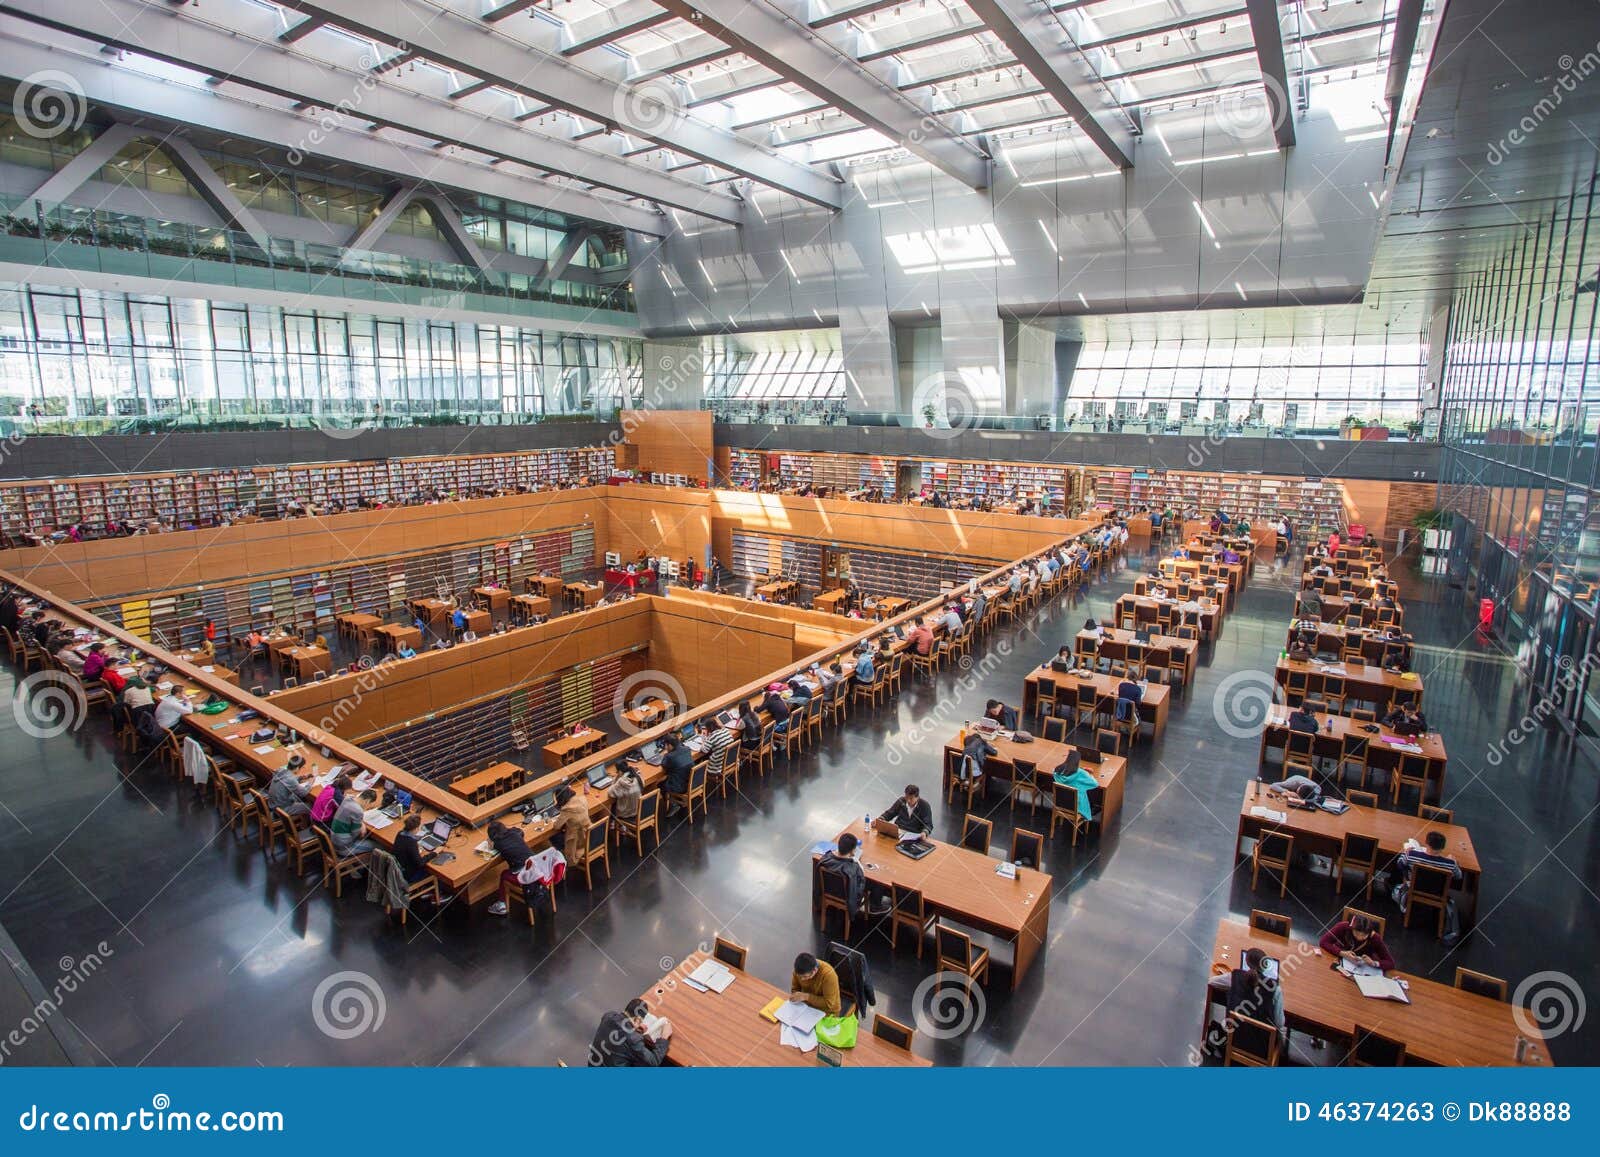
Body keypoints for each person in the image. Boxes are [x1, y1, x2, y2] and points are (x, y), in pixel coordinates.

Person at [588, 998, 671, 1067]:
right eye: (640, 1021)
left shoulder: (608, 1016)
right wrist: (664, 1037)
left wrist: (633, 1027)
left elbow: (621, 1030)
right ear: (637, 1019)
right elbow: (653, 1061)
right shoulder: (634, 1039)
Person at [486, 818, 536, 916]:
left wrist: (490, 841)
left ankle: (501, 904)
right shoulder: (514, 833)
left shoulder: (497, 843)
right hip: (536, 866)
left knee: (504, 874)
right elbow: (520, 831)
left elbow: (491, 847)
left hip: (524, 873)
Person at [1227, 946, 1284, 1032]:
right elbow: (1279, 1023)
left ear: (1246, 962)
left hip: (1235, 1035)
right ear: (1266, 966)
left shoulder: (1235, 976)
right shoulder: (1276, 989)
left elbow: (1212, 981)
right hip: (1263, 1042)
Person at [1318, 914, 1396, 972]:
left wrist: (1374, 963)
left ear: (1370, 933)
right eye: (1357, 933)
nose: (1359, 937)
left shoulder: (1375, 938)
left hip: (1361, 969)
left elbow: (1390, 963)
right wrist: (1341, 953)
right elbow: (1323, 941)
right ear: (1352, 929)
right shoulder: (1343, 927)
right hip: (1339, 962)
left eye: (1364, 935)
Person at [818, 831, 867, 916]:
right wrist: (858, 864)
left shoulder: (826, 859)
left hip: (829, 890)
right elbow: (860, 886)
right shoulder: (853, 868)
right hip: (846, 898)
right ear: (853, 851)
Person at [331, 787, 378, 860]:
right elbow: (357, 834)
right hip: (344, 848)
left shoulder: (347, 799)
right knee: (378, 846)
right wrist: (362, 828)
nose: (367, 808)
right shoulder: (358, 810)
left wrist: (361, 823)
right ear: (367, 801)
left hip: (335, 841)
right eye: (369, 806)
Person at [393, 813, 438, 884]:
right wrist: (434, 853)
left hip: (398, 869)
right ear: (416, 828)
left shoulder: (400, 833)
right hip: (408, 875)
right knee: (435, 874)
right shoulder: (411, 842)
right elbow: (420, 863)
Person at [659, 734, 695, 817]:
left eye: (666, 745)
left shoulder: (669, 756)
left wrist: (665, 755)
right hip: (693, 782)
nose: (665, 747)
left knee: (660, 785)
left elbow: (664, 766)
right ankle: (677, 800)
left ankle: (673, 805)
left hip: (680, 787)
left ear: (670, 745)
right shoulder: (687, 749)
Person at [554, 784, 589, 857]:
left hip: (578, 842)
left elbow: (556, 827)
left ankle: (564, 857)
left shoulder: (566, 809)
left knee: (554, 836)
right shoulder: (583, 799)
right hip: (588, 835)